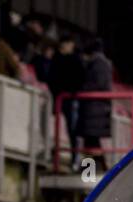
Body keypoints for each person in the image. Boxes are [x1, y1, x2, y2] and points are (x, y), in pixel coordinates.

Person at [77, 38, 114, 174]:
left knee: (91, 143)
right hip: (96, 110)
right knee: (92, 142)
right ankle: (96, 171)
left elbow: (98, 84)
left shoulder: (98, 64)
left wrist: (82, 89)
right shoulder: (103, 63)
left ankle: (91, 172)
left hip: (94, 109)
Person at [48, 37, 84, 170]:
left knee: (73, 130)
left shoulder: (74, 59)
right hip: (62, 98)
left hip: (69, 98)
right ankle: (74, 159)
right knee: (68, 129)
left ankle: (77, 160)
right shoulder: (59, 59)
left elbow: (80, 78)